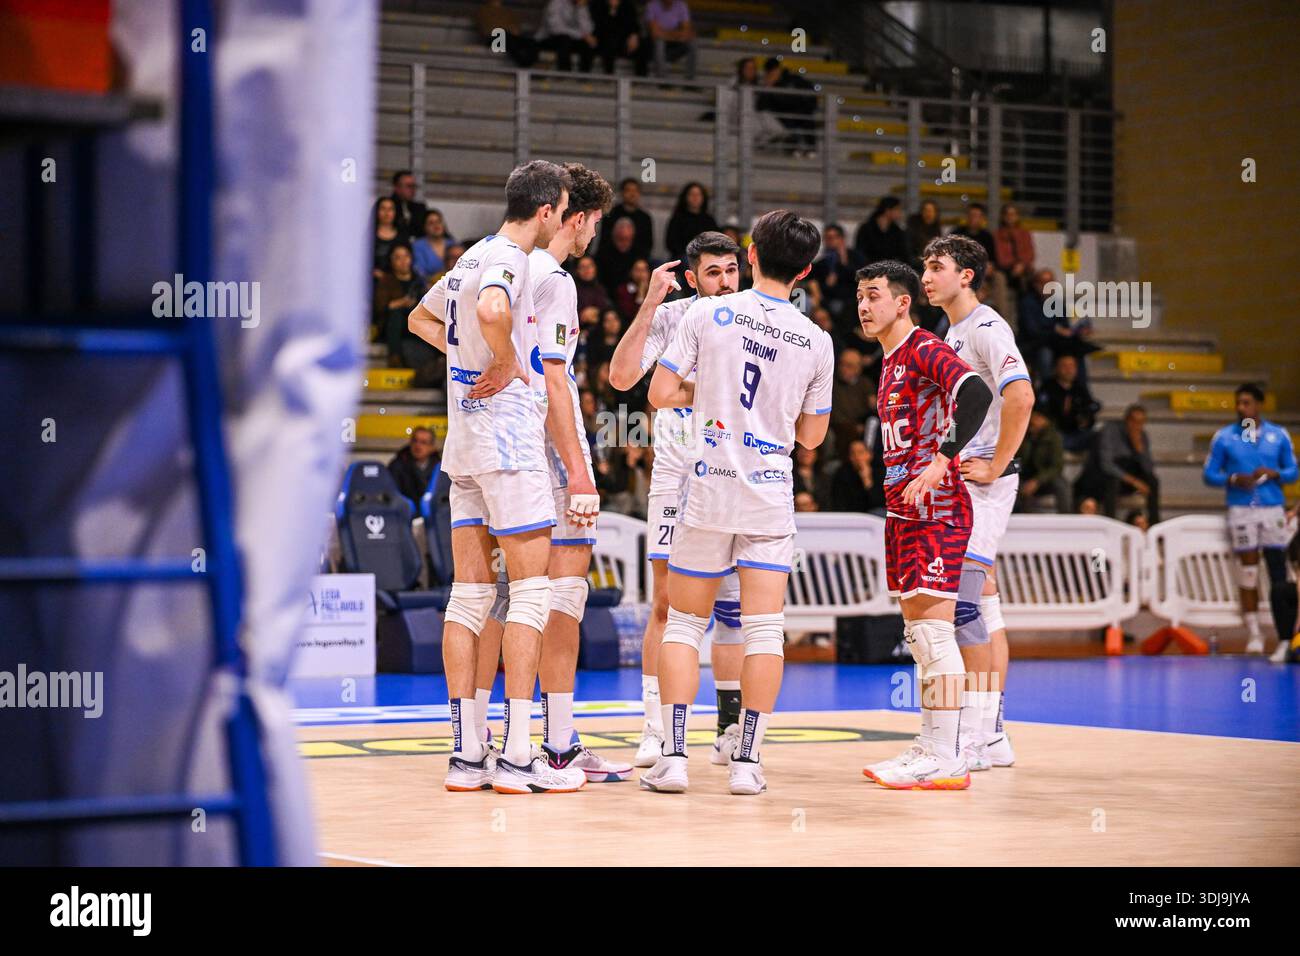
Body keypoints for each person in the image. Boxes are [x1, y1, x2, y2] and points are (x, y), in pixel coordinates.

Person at [405, 159, 586, 794]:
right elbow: (491, 309)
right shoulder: (509, 258)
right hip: (509, 439)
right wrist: (506, 360)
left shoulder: (466, 256)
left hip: (463, 441)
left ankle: (466, 756)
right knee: (531, 593)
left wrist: (466, 362)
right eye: (562, 211)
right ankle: (515, 756)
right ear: (546, 212)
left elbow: (418, 321)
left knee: (469, 596)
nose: (563, 221)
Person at [644, 210, 834, 795]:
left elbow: (657, 393)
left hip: (707, 484)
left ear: (750, 255)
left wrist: (713, 393)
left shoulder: (707, 311)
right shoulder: (816, 339)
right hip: (769, 492)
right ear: (804, 270)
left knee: (683, 623)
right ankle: (748, 763)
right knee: (764, 632)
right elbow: (813, 437)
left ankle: (673, 758)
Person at [608, 232, 749, 769]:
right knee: (668, 606)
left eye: (732, 270)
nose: (725, 281)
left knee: (733, 610)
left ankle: (730, 728)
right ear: (691, 278)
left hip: (737, 472)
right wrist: (649, 302)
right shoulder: (673, 317)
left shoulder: (757, 319)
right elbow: (622, 377)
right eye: (713, 272)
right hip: (677, 473)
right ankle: (655, 728)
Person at [511, 162, 634, 781]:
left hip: (503, 446)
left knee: (506, 599)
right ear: (578, 218)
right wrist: (580, 473)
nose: (593, 237)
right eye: (595, 224)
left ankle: (493, 744)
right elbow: (557, 381)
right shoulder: (554, 278)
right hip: (550, 453)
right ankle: (554, 742)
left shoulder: (502, 262)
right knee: (562, 599)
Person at [856, 259, 993, 790]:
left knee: (935, 634)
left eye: (873, 295)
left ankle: (948, 754)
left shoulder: (923, 347)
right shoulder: (889, 361)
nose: (864, 306)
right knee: (920, 635)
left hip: (938, 509)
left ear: (902, 301)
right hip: (903, 511)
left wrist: (942, 460)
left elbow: (977, 393)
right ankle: (932, 745)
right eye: (860, 296)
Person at [925, 233, 1034, 774]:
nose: (926, 275)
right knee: (984, 605)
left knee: (965, 603)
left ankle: (975, 733)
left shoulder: (988, 327)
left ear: (966, 274)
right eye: (924, 265)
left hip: (986, 481)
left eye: (937, 266)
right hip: (966, 480)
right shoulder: (953, 330)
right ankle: (991, 735)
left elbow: (1023, 395)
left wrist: (996, 462)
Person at [1202, 383, 1299, 656]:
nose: (1241, 408)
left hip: (1271, 508)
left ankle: (1285, 635)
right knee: (1248, 571)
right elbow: (1210, 474)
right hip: (1241, 508)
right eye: (1238, 403)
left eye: (1246, 403)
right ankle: (1254, 632)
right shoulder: (1224, 437)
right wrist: (1232, 479)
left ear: (1259, 405)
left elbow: (1293, 471)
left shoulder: (1278, 435)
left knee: (1278, 570)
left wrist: (1276, 473)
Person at [1073, 404, 1161, 526]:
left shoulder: (1142, 436)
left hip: (1129, 473)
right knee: (1112, 481)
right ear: (1127, 419)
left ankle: (1154, 525)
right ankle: (1111, 524)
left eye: (1141, 422)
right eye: (1134, 421)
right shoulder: (1110, 430)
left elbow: (1148, 469)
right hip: (1104, 475)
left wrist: (1139, 450)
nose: (1137, 425)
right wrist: (1134, 481)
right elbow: (1106, 464)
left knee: (1152, 481)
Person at [372, 243, 429, 367]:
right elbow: (380, 308)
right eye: (398, 257)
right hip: (392, 325)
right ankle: (395, 357)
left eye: (406, 256)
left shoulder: (419, 280)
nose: (403, 261)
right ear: (391, 261)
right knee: (396, 315)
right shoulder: (386, 281)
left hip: (415, 322)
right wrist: (401, 302)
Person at [808, 222, 866, 335]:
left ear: (842, 239)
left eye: (834, 237)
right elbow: (811, 278)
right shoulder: (823, 261)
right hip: (828, 301)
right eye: (827, 238)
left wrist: (844, 262)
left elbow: (861, 278)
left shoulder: (856, 257)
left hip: (852, 300)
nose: (831, 241)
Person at [756, 56, 816, 157]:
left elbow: (810, 94)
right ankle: (794, 150)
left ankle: (810, 150)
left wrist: (808, 108)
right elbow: (760, 107)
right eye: (771, 71)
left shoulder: (794, 79)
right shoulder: (768, 85)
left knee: (807, 120)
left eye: (775, 70)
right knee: (785, 123)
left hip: (801, 112)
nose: (774, 73)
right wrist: (767, 88)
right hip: (781, 116)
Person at [1038, 353, 1099, 452]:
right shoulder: (1047, 387)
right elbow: (1041, 414)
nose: (1068, 369)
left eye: (1072, 366)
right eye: (1064, 366)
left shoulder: (1079, 388)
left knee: (1100, 436)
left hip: (1077, 434)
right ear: (1056, 368)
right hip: (1056, 434)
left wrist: (1086, 421)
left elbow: (1090, 412)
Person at [1015, 405, 1068, 512]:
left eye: (1038, 417)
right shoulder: (1022, 433)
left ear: (1045, 420)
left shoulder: (1054, 438)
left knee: (1061, 485)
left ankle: (1067, 516)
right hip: (1024, 476)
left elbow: (1056, 467)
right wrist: (1015, 473)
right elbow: (1016, 459)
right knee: (1011, 484)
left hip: (1044, 479)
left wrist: (1037, 481)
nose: (1034, 420)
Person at [829, 347, 874, 460]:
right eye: (841, 364)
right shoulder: (830, 382)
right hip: (837, 428)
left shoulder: (865, 384)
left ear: (858, 368)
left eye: (849, 366)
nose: (843, 369)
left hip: (859, 429)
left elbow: (874, 408)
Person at [599, 177, 654, 261]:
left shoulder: (645, 218)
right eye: (628, 190)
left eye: (635, 190)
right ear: (622, 193)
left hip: (636, 261)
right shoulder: (611, 214)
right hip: (611, 260)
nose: (632, 194)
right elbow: (604, 242)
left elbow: (647, 246)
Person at [536, 0, 597, 72]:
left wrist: (581, 8)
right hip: (548, 38)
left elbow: (588, 30)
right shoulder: (556, 3)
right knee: (564, 40)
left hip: (572, 39)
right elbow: (557, 29)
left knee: (587, 44)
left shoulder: (581, 6)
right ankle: (565, 75)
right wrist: (582, 35)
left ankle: (584, 77)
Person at [591, 0, 648, 75]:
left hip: (624, 42)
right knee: (610, 41)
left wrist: (634, 35)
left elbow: (634, 24)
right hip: (604, 41)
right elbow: (599, 27)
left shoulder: (627, 5)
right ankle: (609, 76)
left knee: (643, 44)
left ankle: (641, 79)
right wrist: (612, 10)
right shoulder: (599, 4)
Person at [665, 182, 719, 263]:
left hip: (705, 256)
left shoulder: (709, 220)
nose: (695, 197)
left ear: (703, 198)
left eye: (698, 195)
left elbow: (716, 241)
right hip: (683, 257)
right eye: (692, 194)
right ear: (685, 197)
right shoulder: (677, 219)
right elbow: (671, 243)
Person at [475, 0, 539, 67]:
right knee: (506, 37)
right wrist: (505, 29)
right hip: (495, 39)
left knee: (531, 42)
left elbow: (516, 29)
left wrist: (507, 29)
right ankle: (524, 63)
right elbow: (486, 31)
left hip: (510, 37)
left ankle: (532, 64)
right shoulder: (482, 11)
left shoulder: (508, 12)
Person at [645, 0, 696, 80]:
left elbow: (687, 32)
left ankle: (690, 80)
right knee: (659, 42)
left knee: (692, 44)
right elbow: (654, 33)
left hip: (674, 45)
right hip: (654, 47)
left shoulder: (681, 5)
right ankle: (661, 78)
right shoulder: (652, 5)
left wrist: (665, 33)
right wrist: (677, 34)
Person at [830, 439, 885, 512]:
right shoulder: (843, 474)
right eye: (853, 453)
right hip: (852, 516)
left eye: (860, 452)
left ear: (869, 455)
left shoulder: (880, 472)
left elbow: (880, 503)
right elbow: (840, 502)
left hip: (874, 515)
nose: (857, 456)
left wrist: (867, 481)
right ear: (850, 457)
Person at [388, 426, 439, 504]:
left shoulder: (440, 468)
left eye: (423, 442)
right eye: (415, 441)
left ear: (432, 447)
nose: (418, 446)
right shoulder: (397, 466)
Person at [995, 203, 1035, 297]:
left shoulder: (1025, 234)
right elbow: (999, 256)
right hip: (1006, 269)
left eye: (1013, 214)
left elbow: (1030, 253)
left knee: (1042, 277)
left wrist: (1022, 264)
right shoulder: (997, 235)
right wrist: (1014, 265)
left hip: (1023, 268)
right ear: (1003, 217)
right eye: (1008, 214)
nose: (1010, 217)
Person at [854, 196, 908, 265]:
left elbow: (902, 253)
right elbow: (860, 252)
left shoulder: (897, 231)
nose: (899, 213)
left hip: (890, 270)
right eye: (897, 209)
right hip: (869, 268)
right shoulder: (866, 229)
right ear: (887, 210)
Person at [595, 217, 640, 298]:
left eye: (627, 239)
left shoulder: (637, 254)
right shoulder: (603, 254)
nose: (624, 243)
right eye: (621, 239)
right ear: (614, 236)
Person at [412, 208, 456, 284]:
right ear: (424, 227)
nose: (436, 225)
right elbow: (419, 273)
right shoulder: (418, 246)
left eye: (438, 221)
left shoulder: (453, 244)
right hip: (427, 287)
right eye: (431, 223)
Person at [383, 170, 428, 241]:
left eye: (414, 186)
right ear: (397, 187)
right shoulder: (385, 207)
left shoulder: (420, 208)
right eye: (409, 186)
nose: (413, 190)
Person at [372, 197, 401, 280]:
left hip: (397, 281)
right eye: (383, 209)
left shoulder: (402, 236)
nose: (387, 213)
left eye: (390, 209)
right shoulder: (368, 237)